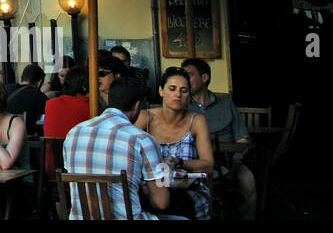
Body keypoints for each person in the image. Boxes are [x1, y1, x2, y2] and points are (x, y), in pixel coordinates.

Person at [63, 78, 174, 220]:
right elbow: (161, 203)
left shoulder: (74, 133)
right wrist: (165, 171)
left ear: (110, 100)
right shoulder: (142, 139)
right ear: (137, 106)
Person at [134, 67, 213, 219]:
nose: (178, 94)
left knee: (182, 203)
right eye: (172, 88)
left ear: (189, 95)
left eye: (184, 90)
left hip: (185, 188)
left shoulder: (196, 121)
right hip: (149, 187)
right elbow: (128, 153)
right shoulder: (145, 118)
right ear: (161, 91)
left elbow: (208, 165)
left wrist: (179, 162)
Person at [183, 57, 256, 219]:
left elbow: (242, 139)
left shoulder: (226, 104)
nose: (185, 80)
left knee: (248, 179)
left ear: (204, 78)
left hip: (228, 162)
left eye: (189, 75)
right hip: (195, 163)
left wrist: (235, 161)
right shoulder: (183, 106)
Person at [42, 66, 92, 175]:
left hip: (52, 171)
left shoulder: (51, 104)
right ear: (85, 86)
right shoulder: (92, 107)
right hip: (80, 174)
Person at [6, 63, 49, 136]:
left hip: (2, 134)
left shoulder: (6, 88)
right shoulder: (38, 95)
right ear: (39, 82)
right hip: (24, 137)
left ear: (21, 78)